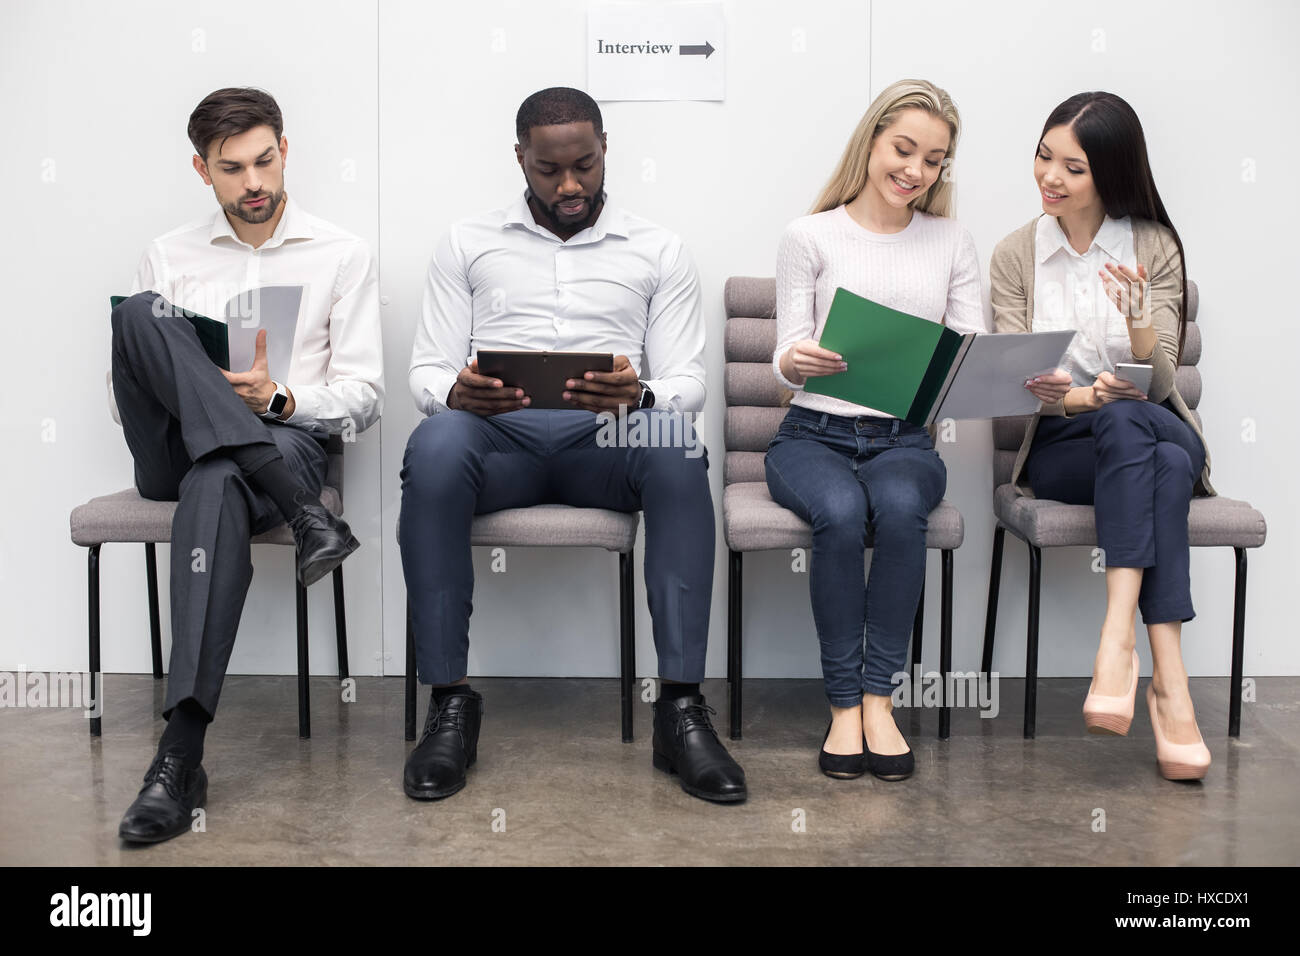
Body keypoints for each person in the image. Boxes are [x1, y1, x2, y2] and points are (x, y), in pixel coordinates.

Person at [399, 87, 745, 803]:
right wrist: (457, 393)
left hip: (608, 441)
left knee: (676, 445)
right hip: (498, 442)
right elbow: (426, 369)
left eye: (584, 166)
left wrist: (640, 396)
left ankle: (680, 708)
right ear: (519, 158)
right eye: (548, 169)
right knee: (433, 444)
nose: (568, 186)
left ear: (605, 149)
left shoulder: (658, 249)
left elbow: (686, 379)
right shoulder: (468, 242)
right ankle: (449, 704)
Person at [110, 87, 385, 842]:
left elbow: (365, 398)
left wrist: (281, 398)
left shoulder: (340, 252)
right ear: (203, 171)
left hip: (286, 437)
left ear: (285, 151)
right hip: (171, 447)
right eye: (232, 169)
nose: (253, 183)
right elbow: (127, 393)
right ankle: (304, 514)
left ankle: (180, 752)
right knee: (138, 314)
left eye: (265, 161)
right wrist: (201, 393)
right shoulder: (167, 255)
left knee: (217, 475)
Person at [989, 91, 1214, 780]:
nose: (1050, 177)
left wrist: (1142, 323)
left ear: (1110, 173)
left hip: (1161, 424)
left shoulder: (1154, 245)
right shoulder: (1016, 254)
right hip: (1063, 448)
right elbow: (1011, 381)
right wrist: (1083, 396)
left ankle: (1118, 639)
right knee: (1159, 466)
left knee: (1136, 423)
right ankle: (1166, 679)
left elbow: (1163, 378)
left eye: (1073, 167)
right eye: (1043, 156)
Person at [765, 79, 984, 782]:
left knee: (896, 510)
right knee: (838, 510)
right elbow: (785, 353)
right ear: (872, 142)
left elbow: (971, 348)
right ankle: (842, 707)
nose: (916, 170)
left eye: (934, 159)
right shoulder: (809, 235)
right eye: (904, 149)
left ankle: (879, 698)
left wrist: (961, 362)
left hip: (905, 442)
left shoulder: (951, 240)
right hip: (811, 436)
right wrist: (794, 360)